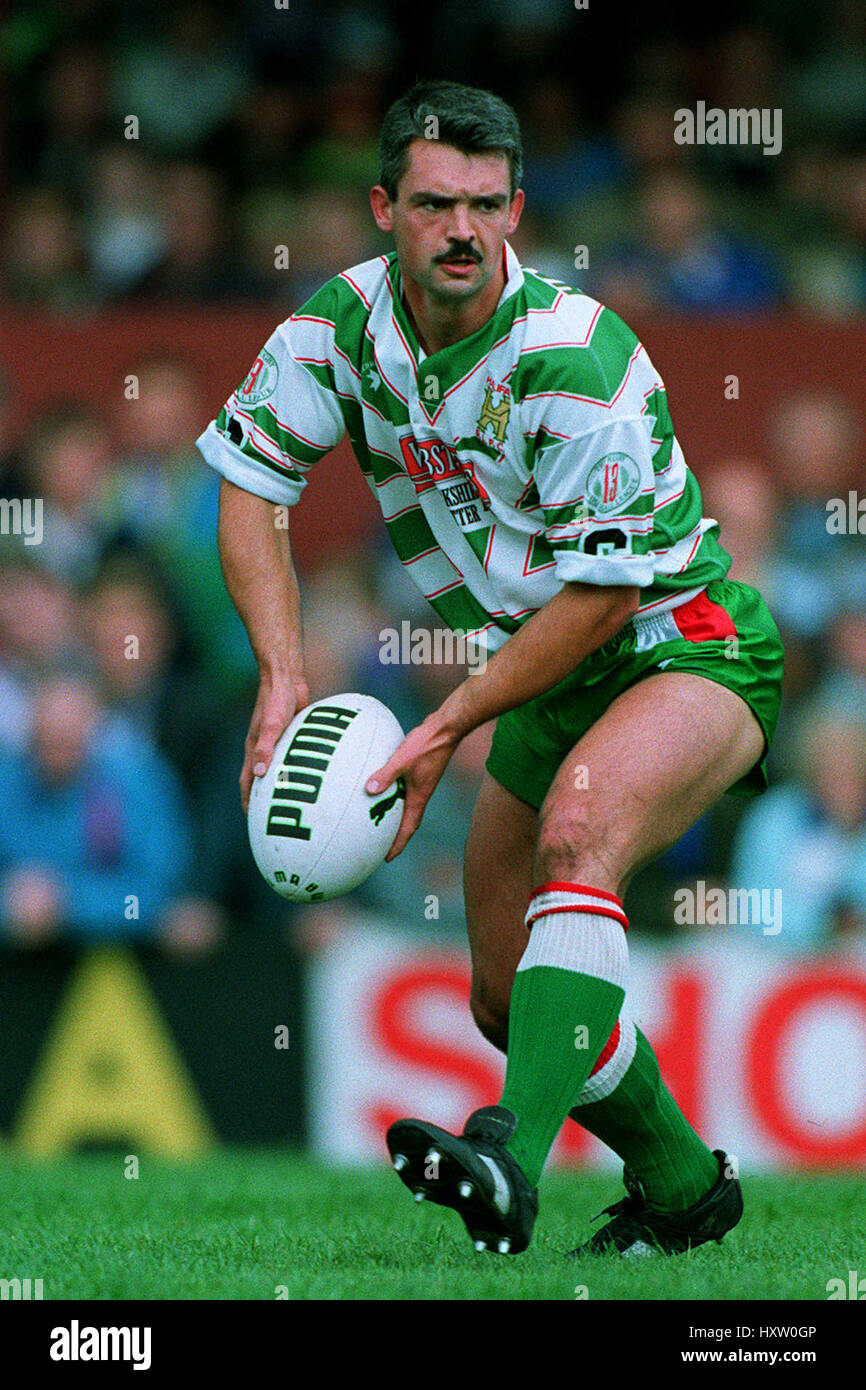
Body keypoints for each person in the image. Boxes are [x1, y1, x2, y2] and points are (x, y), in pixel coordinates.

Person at [198, 81, 784, 1258]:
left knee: (579, 837)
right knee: (505, 995)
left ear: (516, 208)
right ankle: (681, 1190)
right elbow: (251, 487)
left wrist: (451, 720)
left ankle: (505, 1157)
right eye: (431, 204)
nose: (459, 229)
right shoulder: (334, 327)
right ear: (383, 209)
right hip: (542, 670)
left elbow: (606, 594)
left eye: (483, 203)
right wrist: (279, 672)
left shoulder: (574, 358)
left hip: (684, 641)